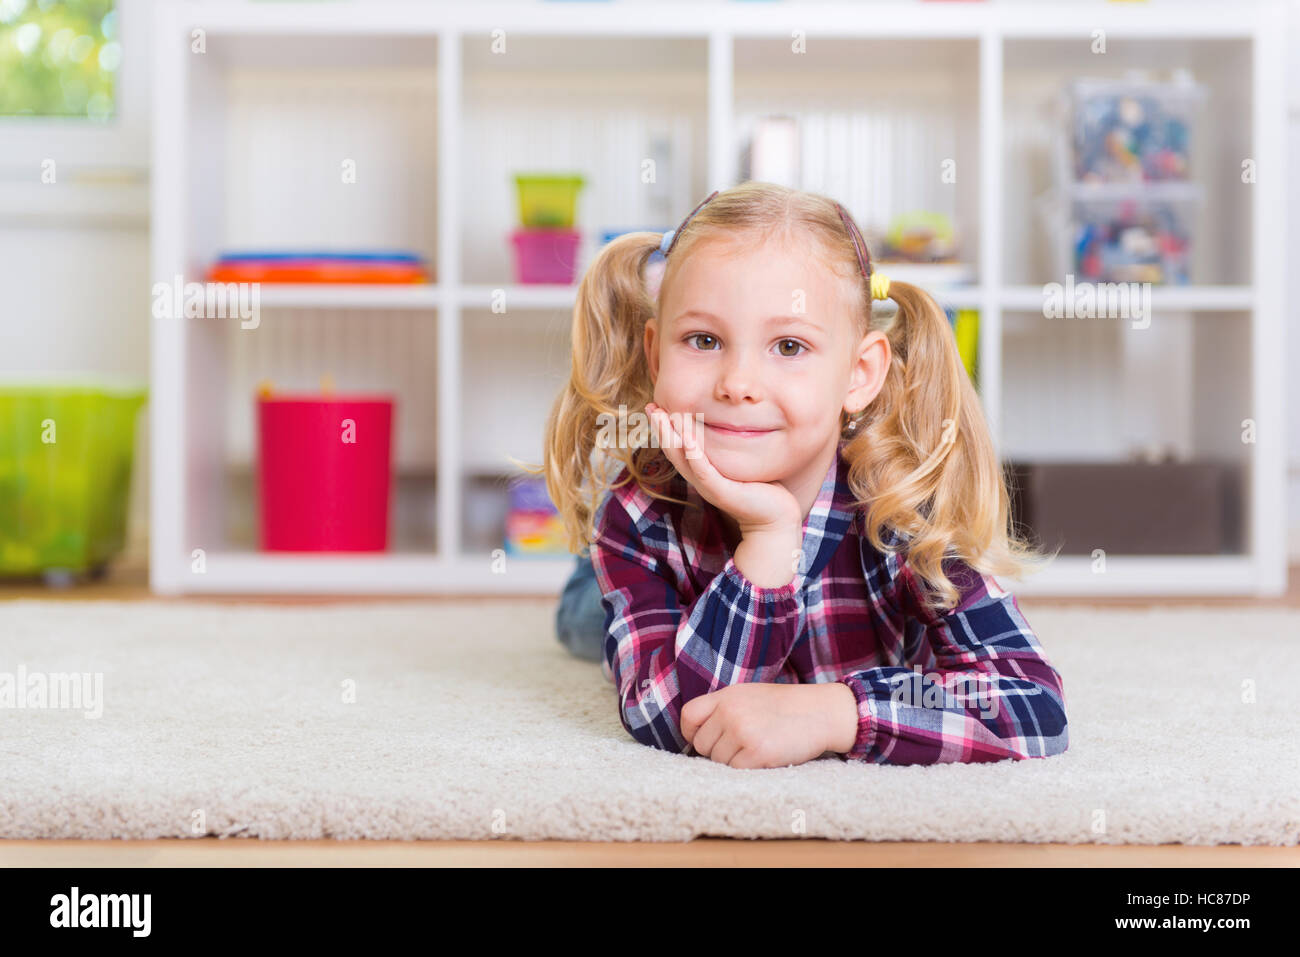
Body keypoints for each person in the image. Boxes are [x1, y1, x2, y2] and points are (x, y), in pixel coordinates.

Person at [530, 181, 1067, 768]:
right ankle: (588, 576)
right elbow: (667, 717)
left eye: (788, 346)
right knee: (585, 627)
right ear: (656, 356)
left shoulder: (903, 508)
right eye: (703, 340)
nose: (738, 384)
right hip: (657, 559)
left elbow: (1033, 705)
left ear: (860, 374)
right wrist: (767, 541)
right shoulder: (634, 513)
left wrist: (838, 713)